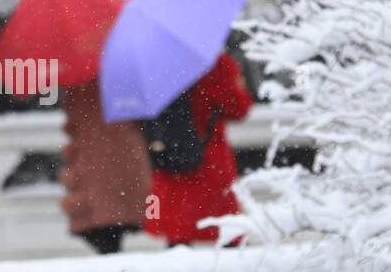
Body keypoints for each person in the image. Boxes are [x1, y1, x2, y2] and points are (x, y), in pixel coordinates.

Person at [142, 53, 253, 246]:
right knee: (226, 227)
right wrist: (240, 86)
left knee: (177, 231)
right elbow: (238, 109)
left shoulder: (159, 64)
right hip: (208, 155)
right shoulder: (216, 64)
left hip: (171, 152)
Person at [57, 81, 153, 254]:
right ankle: (115, 271)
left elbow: (72, 123)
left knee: (102, 231)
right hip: (126, 160)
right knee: (115, 223)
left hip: (92, 164)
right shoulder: (125, 81)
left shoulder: (78, 83)